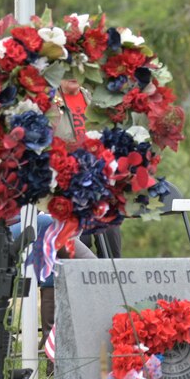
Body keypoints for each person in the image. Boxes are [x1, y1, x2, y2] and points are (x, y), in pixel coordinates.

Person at [0, 109, 95, 375]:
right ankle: (99, 279)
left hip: (18, 246)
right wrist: (21, 217)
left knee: (52, 234)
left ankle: (57, 353)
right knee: (46, 227)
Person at [57, 78, 122, 259]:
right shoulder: (48, 102)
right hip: (61, 189)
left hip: (94, 186)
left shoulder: (92, 100)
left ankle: (112, 276)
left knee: (111, 227)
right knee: (81, 242)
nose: (72, 74)